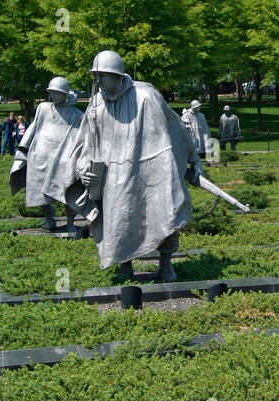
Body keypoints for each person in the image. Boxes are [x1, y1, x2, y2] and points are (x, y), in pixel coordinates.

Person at [70, 50, 205, 282]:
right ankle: (125, 264)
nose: (99, 81)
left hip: (152, 170)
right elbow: (84, 144)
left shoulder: (146, 96)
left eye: (103, 75)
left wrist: (194, 160)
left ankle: (165, 262)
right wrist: (84, 170)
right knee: (119, 220)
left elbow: (177, 129)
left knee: (164, 215)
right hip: (115, 177)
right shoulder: (95, 104)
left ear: (118, 76)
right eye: (96, 76)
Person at [10, 76, 84, 235]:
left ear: (65, 93)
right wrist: (23, 147)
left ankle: (70, 222)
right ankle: (49, 216)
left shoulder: (77, 114)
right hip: (41, 157)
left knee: (68, 192)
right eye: (52, 93)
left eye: (57, 93)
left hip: (63, 159)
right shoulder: (43, 108)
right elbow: (34, 127)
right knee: (39, 191)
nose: (54, 96)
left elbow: (82, 137)